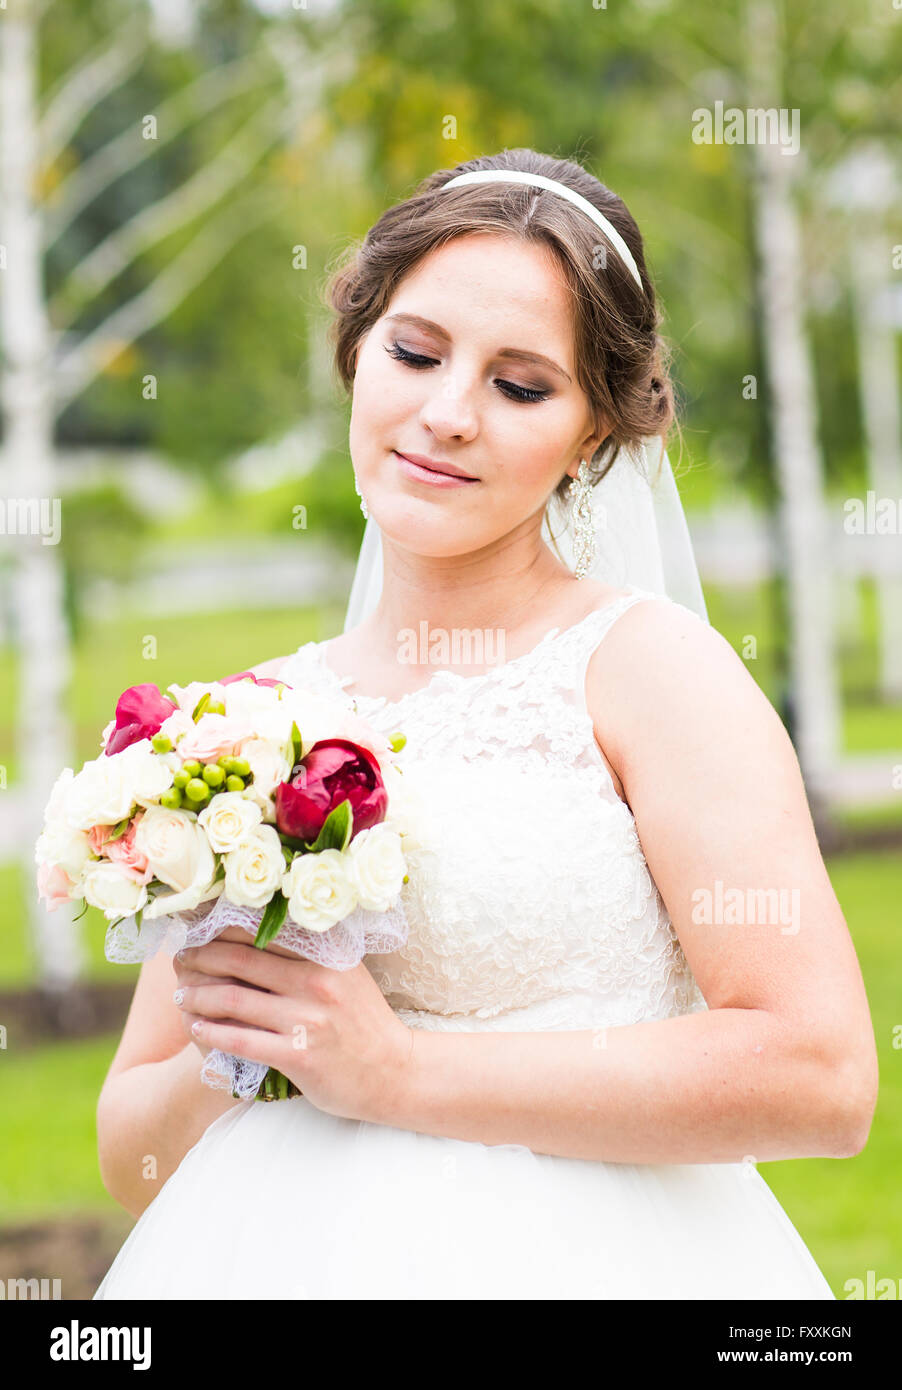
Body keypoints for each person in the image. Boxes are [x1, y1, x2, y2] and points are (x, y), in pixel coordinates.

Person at [93, 149, 877, 1300]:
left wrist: (399, 1073)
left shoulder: (649, 673)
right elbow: (132, 1152)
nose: (445, 414)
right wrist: (243, 1037)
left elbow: (819, 1075)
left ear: (597, 435)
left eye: (519, 386)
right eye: (413, 353)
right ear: (356, 351)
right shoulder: (245, 726)